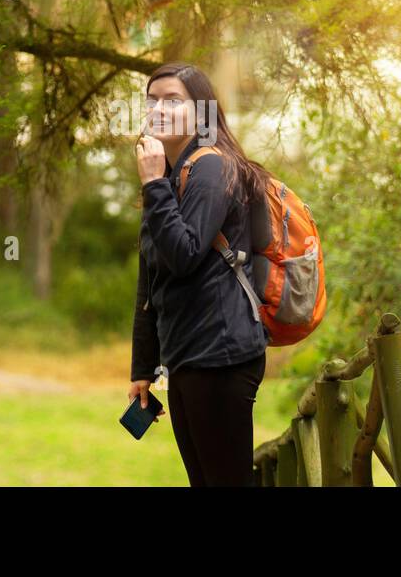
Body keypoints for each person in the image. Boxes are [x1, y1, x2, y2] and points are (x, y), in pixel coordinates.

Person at [128, 62, 272, 486]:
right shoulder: (171, 178)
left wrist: (154, 185)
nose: (159, 108)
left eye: (173, 100)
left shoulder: (213, 167)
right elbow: (150, 282)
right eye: (152, 100)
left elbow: (185, 256)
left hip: (222, 355)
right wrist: (142, 367)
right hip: (188, 356)